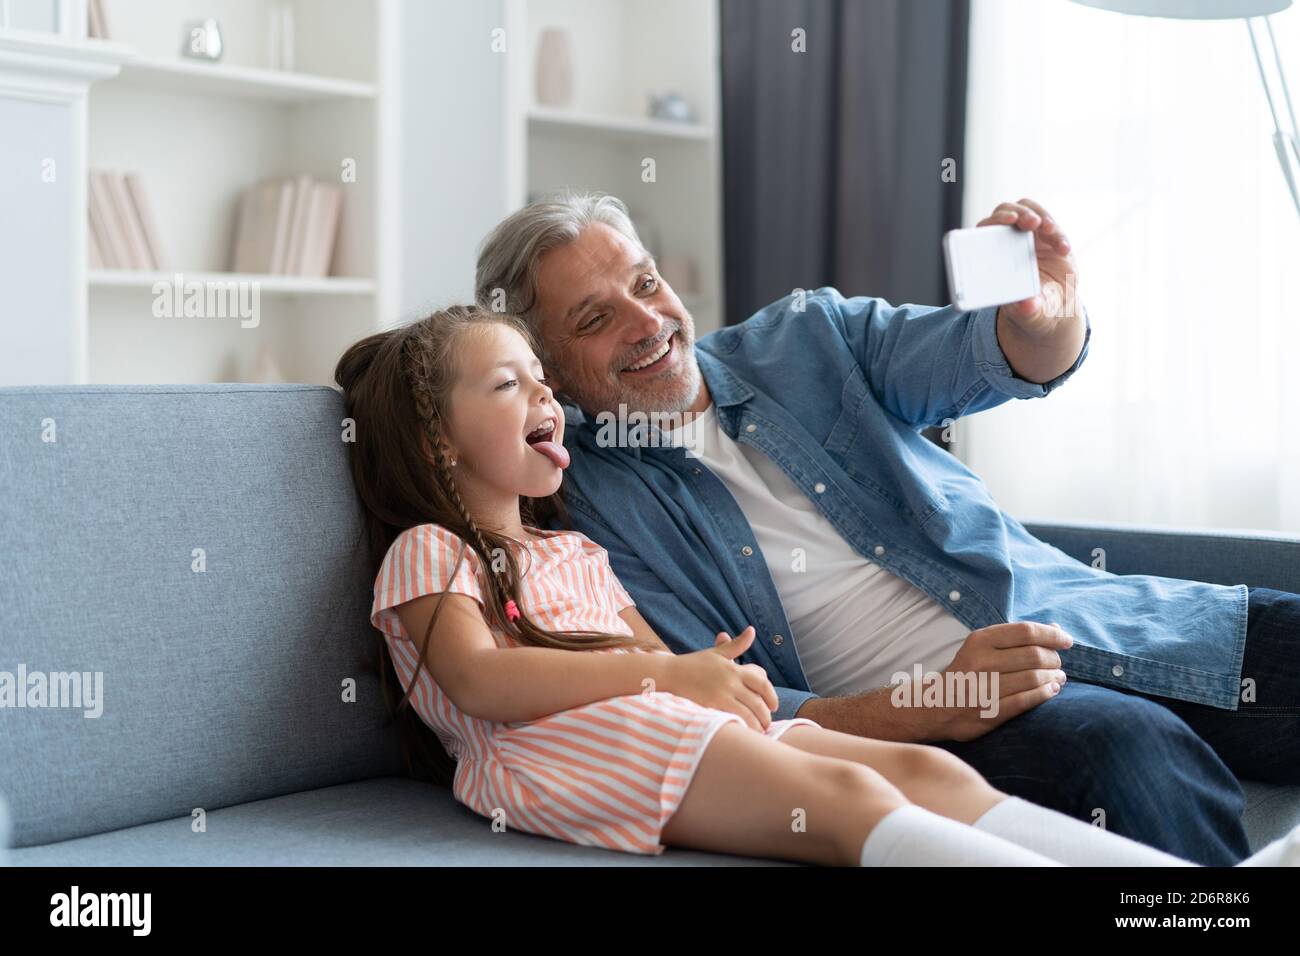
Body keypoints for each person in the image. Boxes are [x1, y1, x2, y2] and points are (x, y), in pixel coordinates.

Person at [470, 190, 1300, 865]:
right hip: (957, 719)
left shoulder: (806, 338)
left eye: (645, 285)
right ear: (545, 365)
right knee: (1122, 747)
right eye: (594, 319)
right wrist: (930, 702)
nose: (646, 322)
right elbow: (726, 704)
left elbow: (990, 355)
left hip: (1089, 618)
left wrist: (1043, 319)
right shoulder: (586, 511)